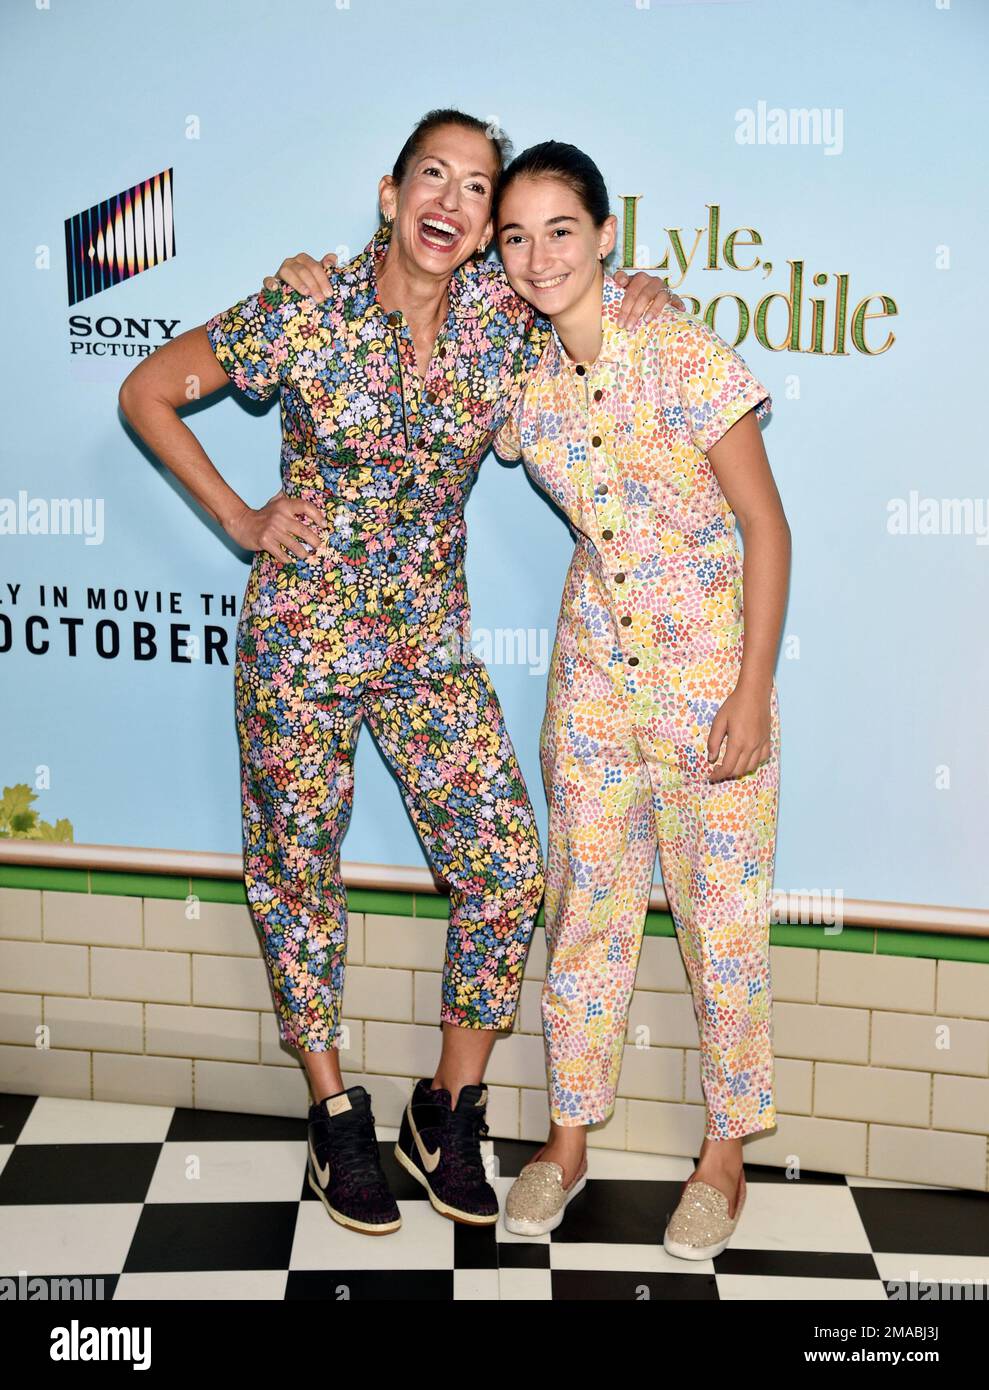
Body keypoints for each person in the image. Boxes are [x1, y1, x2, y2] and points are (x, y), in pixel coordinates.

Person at [117, 109, 675, 1238]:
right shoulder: (308, 305)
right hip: (301, 640)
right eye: (433, 175)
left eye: (476, 189)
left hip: (427, 647)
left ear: (486, 223)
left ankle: (446, 1105)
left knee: (504, 865)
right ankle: (333, 1112)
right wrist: (240, 519)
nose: (450, 202)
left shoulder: (499, 316)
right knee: (295, 870)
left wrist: (642, 292)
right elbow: (147, 391)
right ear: (389, 193)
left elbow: (582, 295)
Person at [486, 141, 790, 1259]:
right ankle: (566, 1142)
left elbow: (766, 526)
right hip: (591, 691)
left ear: (606, 234)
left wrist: (751, 690)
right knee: (585, 914)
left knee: (723, 928)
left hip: (709, 683)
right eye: (515, 238)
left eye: (560, 230)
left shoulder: (678, 347)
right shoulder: (518, 374)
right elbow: (421, 296)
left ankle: (723, 1158)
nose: (538, 257)